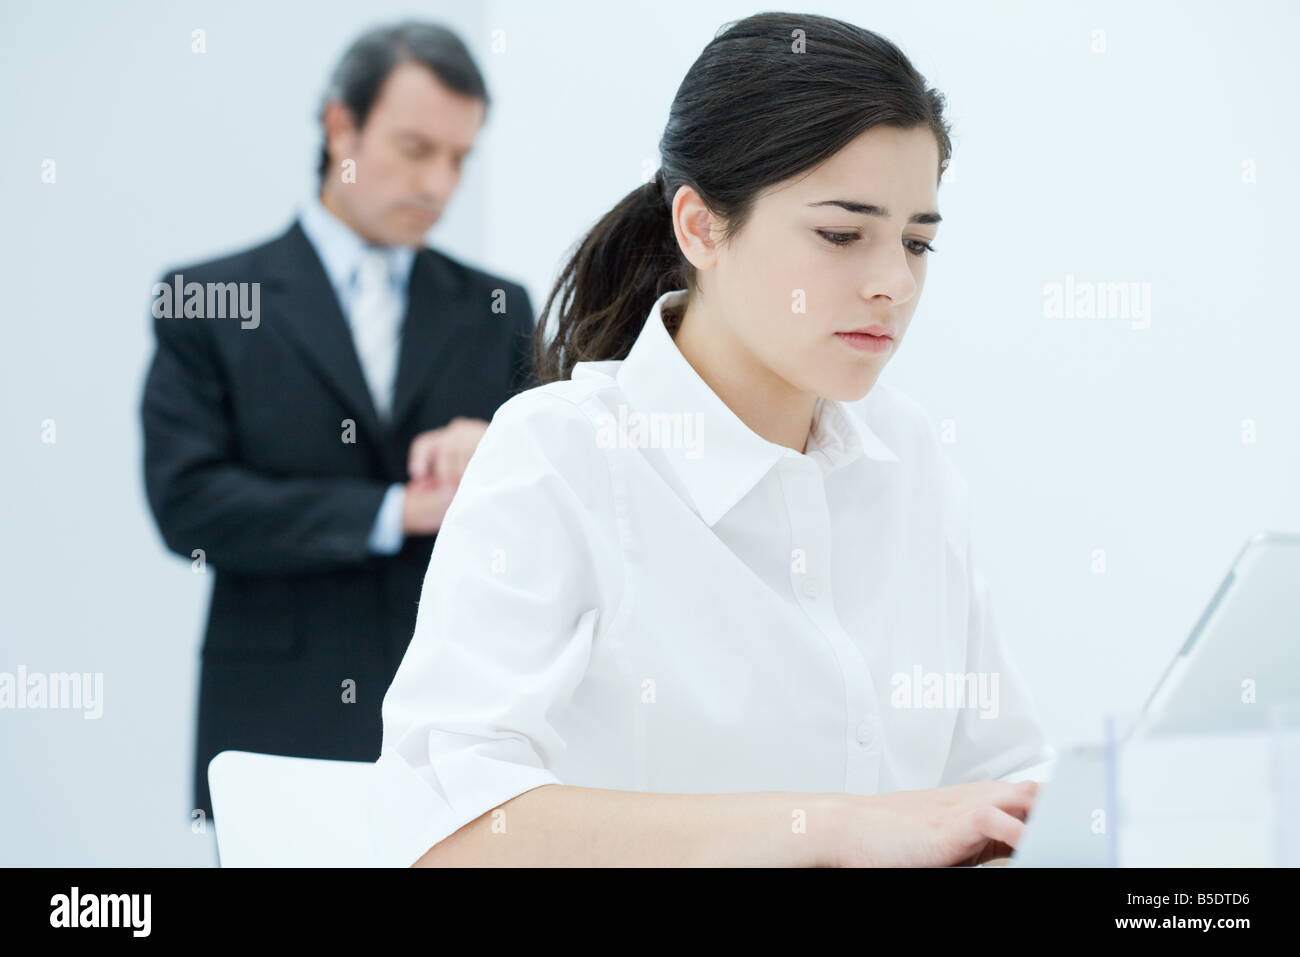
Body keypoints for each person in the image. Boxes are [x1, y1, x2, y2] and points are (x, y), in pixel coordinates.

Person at [367, 11, 1053, 868]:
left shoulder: (908, 459)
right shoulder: (561, 458)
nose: (894, 284)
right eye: (842, 234)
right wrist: (831, 831)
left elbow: (997, 782)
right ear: (701, 227)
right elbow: (443, 835)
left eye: (918, 242)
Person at [140, 21, 537, 826]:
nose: (439, 183)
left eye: (460, 158)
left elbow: (553, 502)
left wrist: (499, 453)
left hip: (462, 731)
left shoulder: (500, 307)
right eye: (416, 147)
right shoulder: (207, 299)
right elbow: (190, 506)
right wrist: (395, 511)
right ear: (339, 128)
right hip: (275, 724)